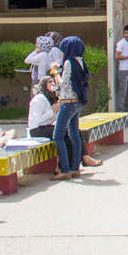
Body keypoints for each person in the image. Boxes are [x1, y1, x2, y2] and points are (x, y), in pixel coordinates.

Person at [51, 36, 92, 178]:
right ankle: (75, 167)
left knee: (58, 135)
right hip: (78, 102)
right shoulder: (80, 61)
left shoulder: (69, 63)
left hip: (68, 102)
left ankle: (65, 169)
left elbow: (64, 84)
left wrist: (56, 73)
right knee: (74, 134)